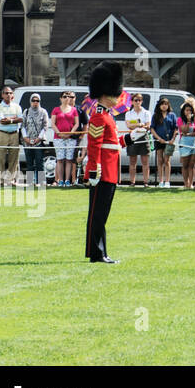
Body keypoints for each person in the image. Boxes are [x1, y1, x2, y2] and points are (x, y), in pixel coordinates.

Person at [84, 61, 125, 263]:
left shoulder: (108, 116)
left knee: (103, 214)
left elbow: (113, 143)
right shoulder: (99, 116)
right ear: (105, 92)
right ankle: (96, 253)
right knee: (97, 214)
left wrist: (132, 137)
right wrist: (94, 169)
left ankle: (101, 251)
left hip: (111, 170)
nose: (117, 97)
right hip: (102, 171)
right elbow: (94, 146)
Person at [0, 87, 22, 187]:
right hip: (2, 133)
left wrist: (10, 120)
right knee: (0, 157)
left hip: (14, 134)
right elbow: (2, 120)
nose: (8, 95)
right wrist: (14, 118)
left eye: (10, 93)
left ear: (12, 94)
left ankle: (10, 179)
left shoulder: (17, 106)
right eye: (6, 93)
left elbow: (21, 119)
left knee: (14, 158)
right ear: (2, 95)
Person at [51, 91, 81, 187]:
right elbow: (53, 123)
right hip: (58, 138)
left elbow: (77, 123)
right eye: (64, 96)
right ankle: (60, 180)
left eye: (68, 96)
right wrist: (59, 133)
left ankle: (67, 180)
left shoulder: (74, 110)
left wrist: (70, 133)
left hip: (70, 138)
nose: (67, 98)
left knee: (69, 160)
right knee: (60, 159)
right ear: (61, 98)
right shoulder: (56, 109)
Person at [20, 94, 51, 188]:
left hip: (39, 141)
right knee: (29, 163)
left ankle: (41, 181)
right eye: (33, 100)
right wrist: (26, 138)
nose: (35, 102)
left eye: (37, 101)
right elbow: (23, 125)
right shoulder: (26, 112)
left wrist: (38, 138)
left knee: (39, 162)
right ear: (30, 101)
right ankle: (30, 181)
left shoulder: (43, 112)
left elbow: (45, 126)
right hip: (27, 141)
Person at [123, 93, 151, 188]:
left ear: (142, 101)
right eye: (135, 100)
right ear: (132, 102)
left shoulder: (146, 112)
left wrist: (137, 125)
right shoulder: (128, 113)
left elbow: (148, 126)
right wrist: (139, 125)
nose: (137, 102)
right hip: (133, 137)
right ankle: (132, 182)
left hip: (143, 137)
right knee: (132, 161)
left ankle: (146, 182)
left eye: (139, 100)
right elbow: (128, 125)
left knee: (145, 161)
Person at [150, 97, 176, 188]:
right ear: (159, 105)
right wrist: (158, 138)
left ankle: (167, 181)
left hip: (169, 141)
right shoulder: (155, 115)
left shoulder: (172, 115)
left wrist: (173, 139)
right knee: (160, 160)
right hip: (158, 140)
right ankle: (161, 181)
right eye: (162, 104)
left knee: (167, 160)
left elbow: (175, 129)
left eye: (166, 104)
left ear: (168, 105)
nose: (164, 106)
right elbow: (152, 128)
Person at [175, 102, 195, 189]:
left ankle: (191, 184)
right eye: (187, 110)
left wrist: (189, 134)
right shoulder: (180, 120)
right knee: (185, 164)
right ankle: (186, 183)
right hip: (184, 143)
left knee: (192, 165)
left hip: (194, 143)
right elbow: (184, 131)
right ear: (183, 111)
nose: (188, 112)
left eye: (190, 110)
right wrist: (188, 121)